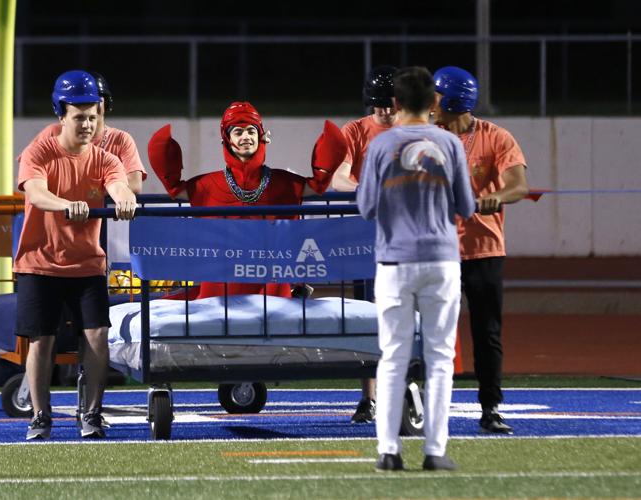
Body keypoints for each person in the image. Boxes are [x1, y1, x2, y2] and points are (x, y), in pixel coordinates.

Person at [357, 66, 475, 471]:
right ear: (434, 103)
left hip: (394, 260)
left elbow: (366, 207)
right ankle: (434, 451)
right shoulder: (451, 143)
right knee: (440, 357)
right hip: (441, 259)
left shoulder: (380, 145)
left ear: (394, 104)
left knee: (392, 356)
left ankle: (388, 451)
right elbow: (468, 207)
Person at [14, 70, 137, 440]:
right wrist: (67, 205)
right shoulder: (39, 150)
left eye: (92, 116)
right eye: (79, 116)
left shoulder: (105, 158)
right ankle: (40, 415)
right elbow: (35, 193)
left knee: (98, 336)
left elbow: (120, 184)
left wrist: (124, 199)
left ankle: (92, 413)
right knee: (42, 340)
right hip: (40, 263)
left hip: (86, 263)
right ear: (61, 115)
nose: (87, 123)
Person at [147, 101, 346, 299]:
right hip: (218, 292)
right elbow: (175, 189)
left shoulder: (284, 182)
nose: (246, 137)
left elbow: (318, 185)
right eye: (238, 132)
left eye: (251, 131)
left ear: (261, 136)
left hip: (273, 289)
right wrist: (161, 148)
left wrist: (332, 146)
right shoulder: (206, 185)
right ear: (226, 138)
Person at [432, 66, 529, 435]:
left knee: (487, 332)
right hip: (438, 251)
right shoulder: (428, 136)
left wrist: (495, 198)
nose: (431, 103)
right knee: (434, 331)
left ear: (454, 100)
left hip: (483, 251)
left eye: (437, 97)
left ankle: (490, 408)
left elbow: (518, 185)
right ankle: (428, 405)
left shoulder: (497, 138)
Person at [332, 64, 398, 424]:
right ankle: (368, 397)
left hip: (406, 239)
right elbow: (338, 178)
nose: (384, 112)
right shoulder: (355, 131)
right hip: (367, 239)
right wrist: (369, 190)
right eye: (378, 105)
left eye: (390, 104)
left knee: (404, 317)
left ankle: (404, 390)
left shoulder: (413, 129)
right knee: (368, 317)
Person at [27, 72, 147, 194]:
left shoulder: (121, 139)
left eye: (96, 98)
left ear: (107, 102)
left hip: (103, 211)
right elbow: (28, 174)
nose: (89, 104)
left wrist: (91, 192)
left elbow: (135, 184)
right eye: (79, 101)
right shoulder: (53, 132)